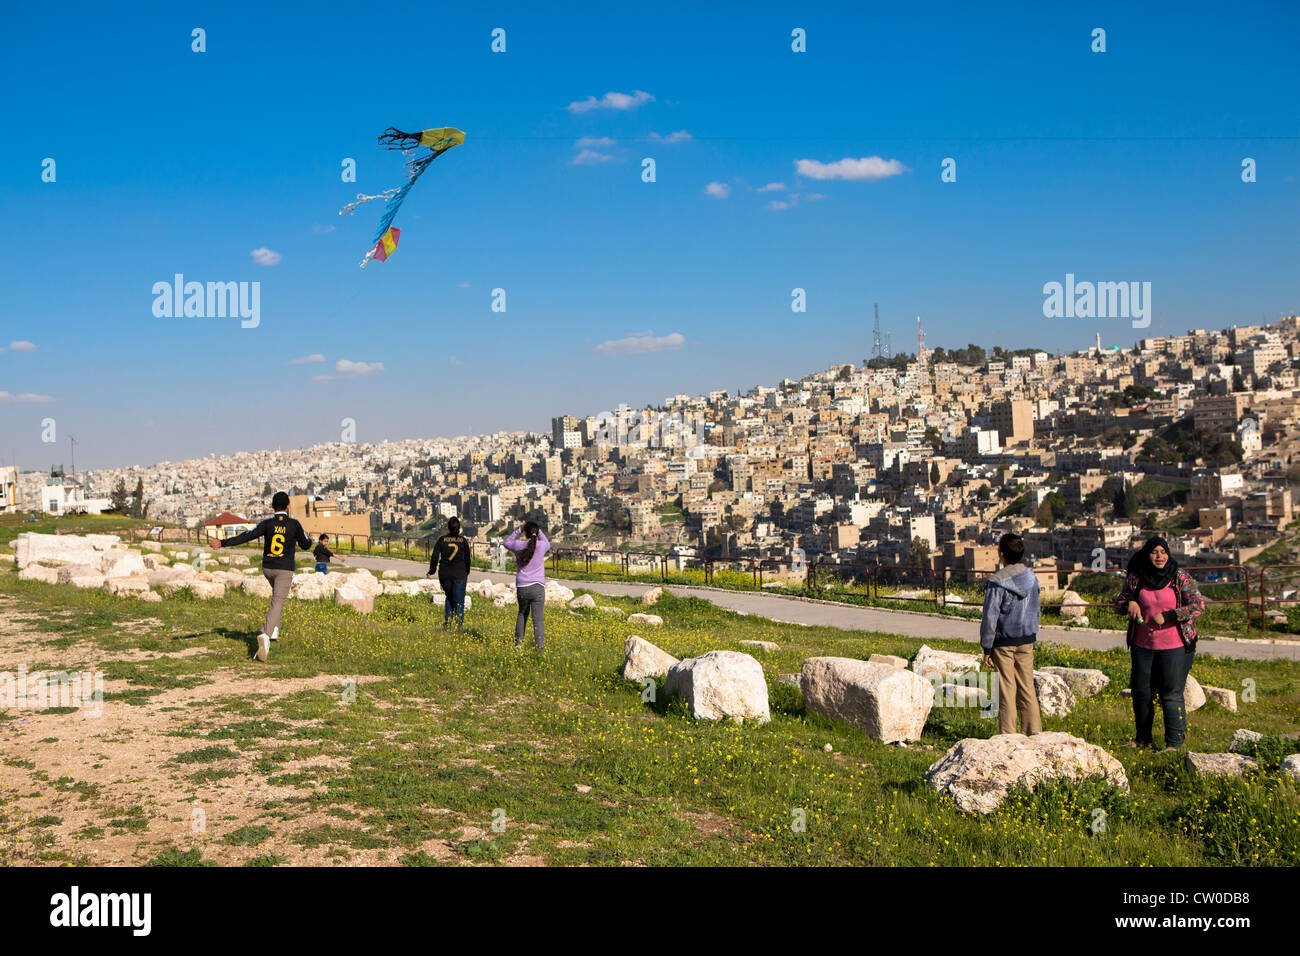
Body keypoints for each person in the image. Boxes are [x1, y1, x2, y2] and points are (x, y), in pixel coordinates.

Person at [1115, 536, 1204, 751]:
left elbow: (1198, 606)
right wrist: (1130, 603)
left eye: (1163, 552)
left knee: (1171, 694)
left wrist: (1170, 615)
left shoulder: (1179, 577)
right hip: (1142, 645)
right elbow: (1118, 603)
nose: (1159, 556)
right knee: (1141, 693)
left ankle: (1174, 744)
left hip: (1175, 647)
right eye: (1154, 552)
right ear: (1147, 555)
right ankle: (1143, 739)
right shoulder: (1137, 578)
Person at [212, 491, 311, 662]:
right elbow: (305, 545)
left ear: (272, 506)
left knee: (276, 599)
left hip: (268, 568)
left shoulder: (267, 524)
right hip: (284, 569)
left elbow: (246, 536)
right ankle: (265, 634)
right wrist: (309, 539)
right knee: (278, 602)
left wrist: (223, 543)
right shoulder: (294, 524)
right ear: (288, 506)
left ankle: (273, 631)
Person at [980, 532, 1042, 736]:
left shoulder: (997, 582)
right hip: (1026, 639)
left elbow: (990, 616)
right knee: (1027, 688)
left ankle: (1008, 736)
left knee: (1007, 690)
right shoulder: (1032, 578)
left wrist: (987, 646)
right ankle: (1034, 733)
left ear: (1001, 554)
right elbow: (1036, 608)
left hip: (1003, 641)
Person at [502, 520, 549, 651]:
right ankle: (539, 648)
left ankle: (518, 645)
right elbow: (547, 542)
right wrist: (538, 531)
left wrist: (518, 530)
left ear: (525, 532)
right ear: (536, 532)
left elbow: (506, 542)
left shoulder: (518, 545)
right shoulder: (542, 545)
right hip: (538, 586)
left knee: (522, 614)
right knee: (538, 620)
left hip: (522, 586)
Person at [427, 517, 471, 628]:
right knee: (459, 601)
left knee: (449, 596)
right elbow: (467, 559)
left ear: (448, 527)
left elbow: (435, 556)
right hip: (460, 574)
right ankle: (458, 626)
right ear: (459, 528)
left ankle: (448, 622)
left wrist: (432, 571)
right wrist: (467, 571)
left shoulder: (442, 540)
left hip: (445, 574)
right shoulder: (463, 541)